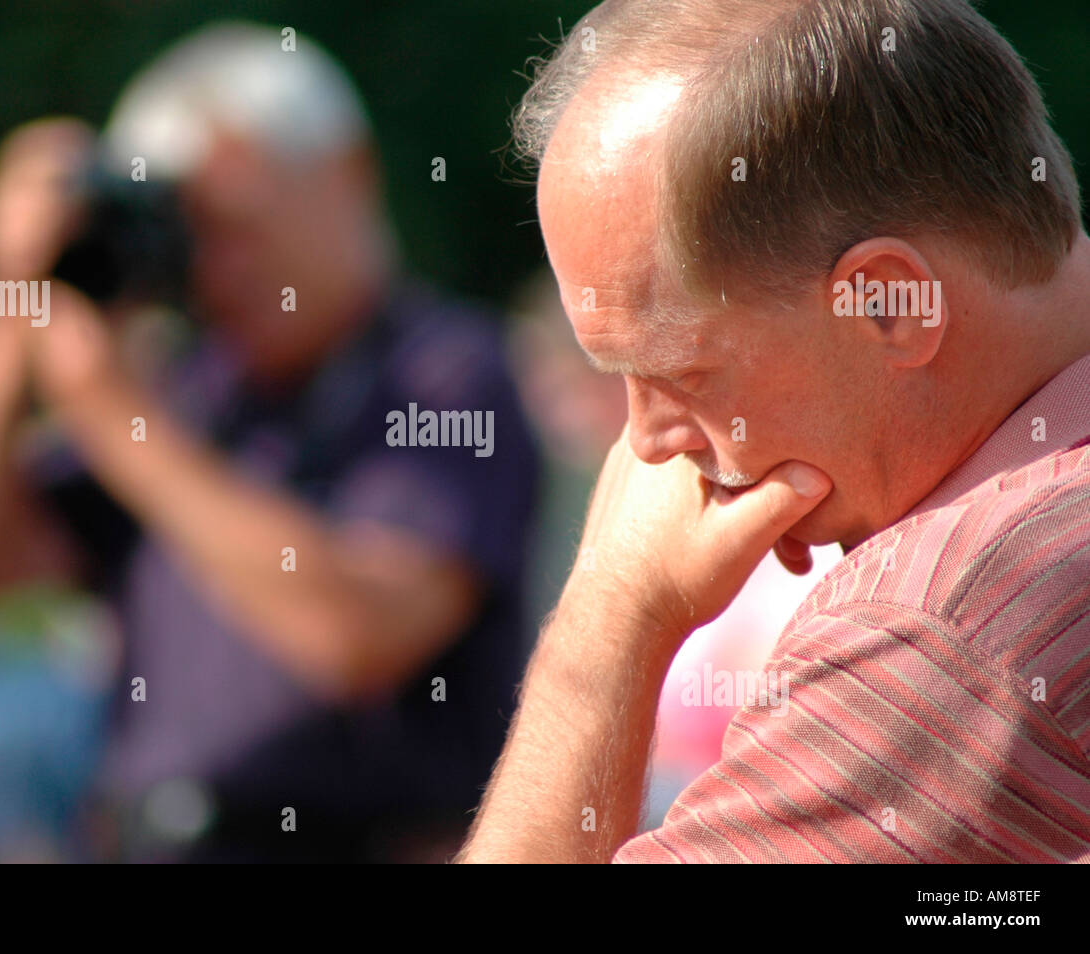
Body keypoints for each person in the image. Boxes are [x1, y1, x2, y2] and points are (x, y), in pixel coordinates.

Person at [460, 0, 1090, 863]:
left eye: (680, 375)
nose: (645, 444)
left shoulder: (933, 636)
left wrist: (607, 625)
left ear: (885, 305)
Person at [0, 23, 538, 862]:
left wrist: (107, 410)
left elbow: (358, 632)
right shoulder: (186, 395)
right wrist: (18, 301)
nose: (214, 266)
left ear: (350, 174)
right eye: (184, 233)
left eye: (236, 223)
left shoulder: (446, 373)